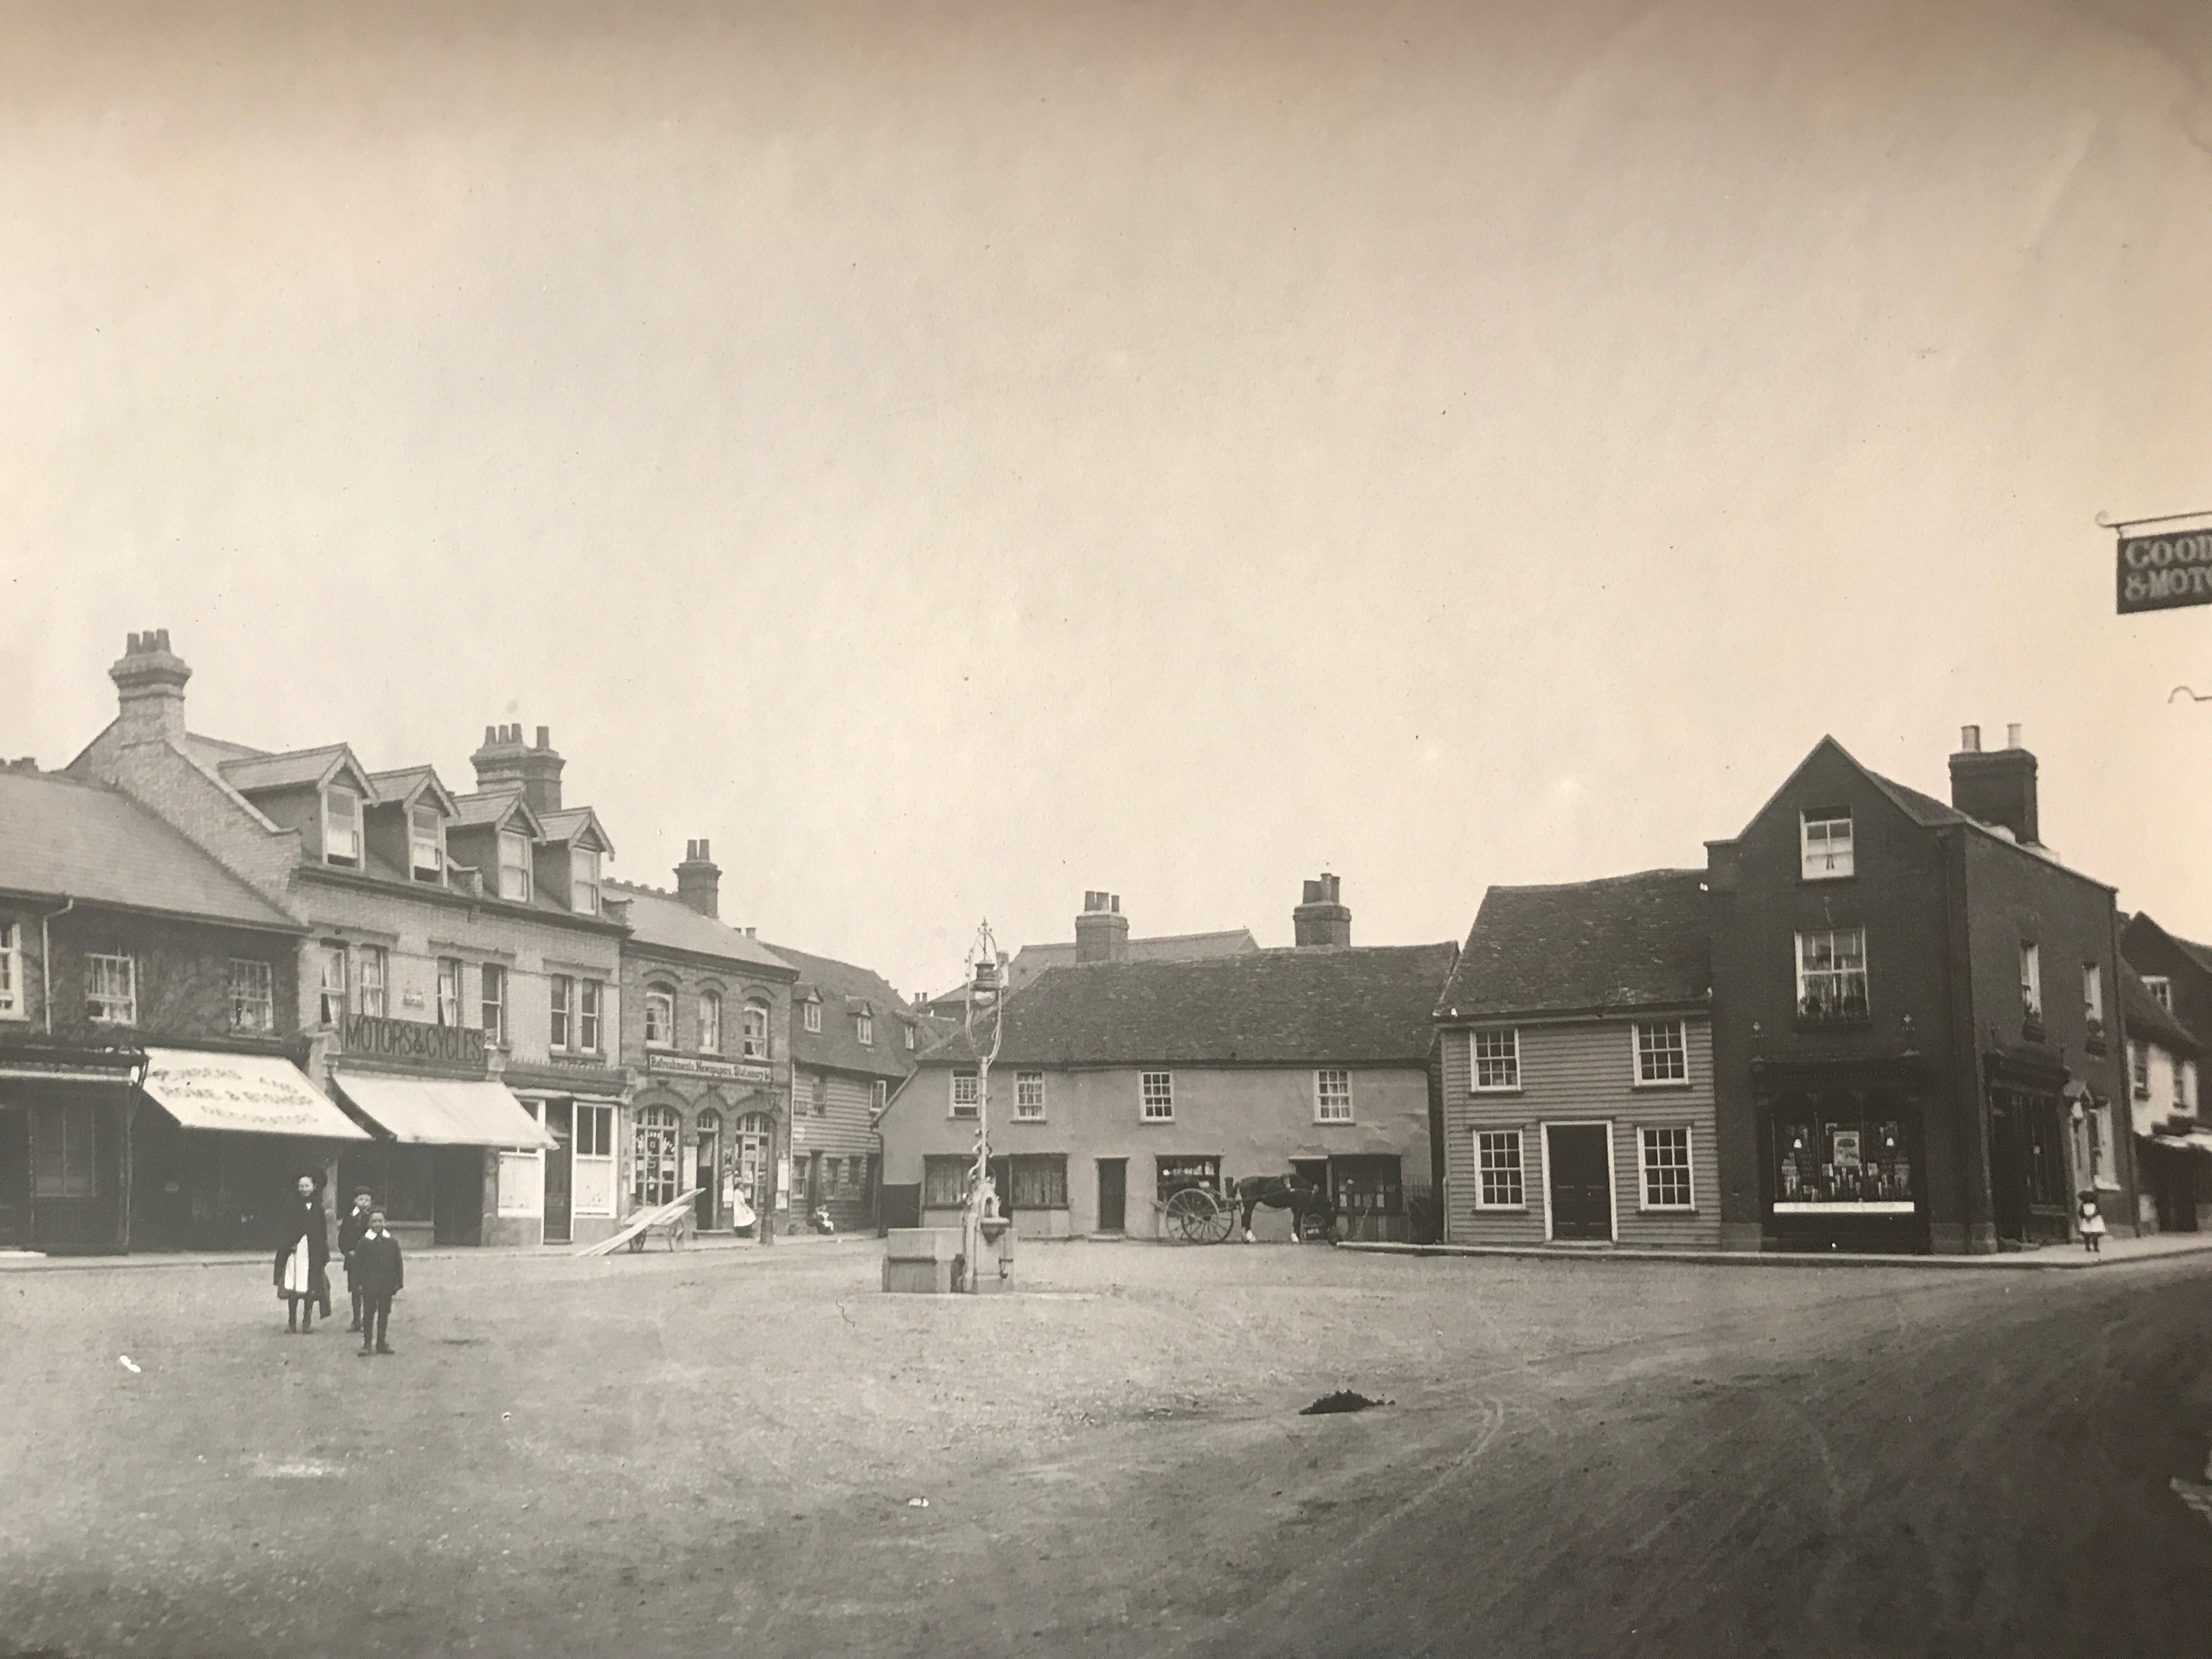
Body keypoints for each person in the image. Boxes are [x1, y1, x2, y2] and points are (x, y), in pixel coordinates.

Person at [273, 1174, 331, 1334]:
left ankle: (307, 1322)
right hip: (295, 1250)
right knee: (293, 1285)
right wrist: (288, 1244)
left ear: (313, 1187)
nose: (304, 1190)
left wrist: (323, 1252)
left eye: (307, 1186)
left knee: (310, 1286)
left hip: (312, 1251)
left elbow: (322, 1231)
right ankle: (292, 1323)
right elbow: (284, 1227)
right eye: (301, 1186)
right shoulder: (291, 1205)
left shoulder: (318, 1207)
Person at [352, 1208, 403, 1357]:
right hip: (369, 1284)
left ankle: (382, 1342)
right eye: (374, 1221)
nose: (377, 1224)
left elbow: (397, 1263)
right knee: (368, 1314)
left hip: (386, 1284)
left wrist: (398, 1282)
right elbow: (357, 1265)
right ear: (369, 1223)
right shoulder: (364, 1243)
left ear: (385, 1222)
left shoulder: (392, 1242)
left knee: (384, 1313)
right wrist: (358, 1283)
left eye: (380, 1221)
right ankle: (367, 1343)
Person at [337, 1189, 375, 1332]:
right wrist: (347, 1252)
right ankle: (356, 1319)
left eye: (367, 1200)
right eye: (361, 1199)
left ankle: (367, 1320)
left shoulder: (373, 1218)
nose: (364, 1203)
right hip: (353, 1259)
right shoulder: (349, 1218)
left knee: (368, 1290)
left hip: (369, 1259)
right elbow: (343, 1237)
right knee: (355, 1290)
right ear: (355, 1201)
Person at [2078, 1191, 2108, 1257]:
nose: (2089, 1199)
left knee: (2095, 1235)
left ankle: (2096, 1247)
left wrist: (2093, 1216)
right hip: (2087, 1221)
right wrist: (2085, 1217)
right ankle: (2087, 1247)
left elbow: (2098, 1211)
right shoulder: (2083, 1205)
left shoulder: (2095, 1205)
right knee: (2087, 1235)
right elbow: (2080, 1213)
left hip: (2095, 1221)